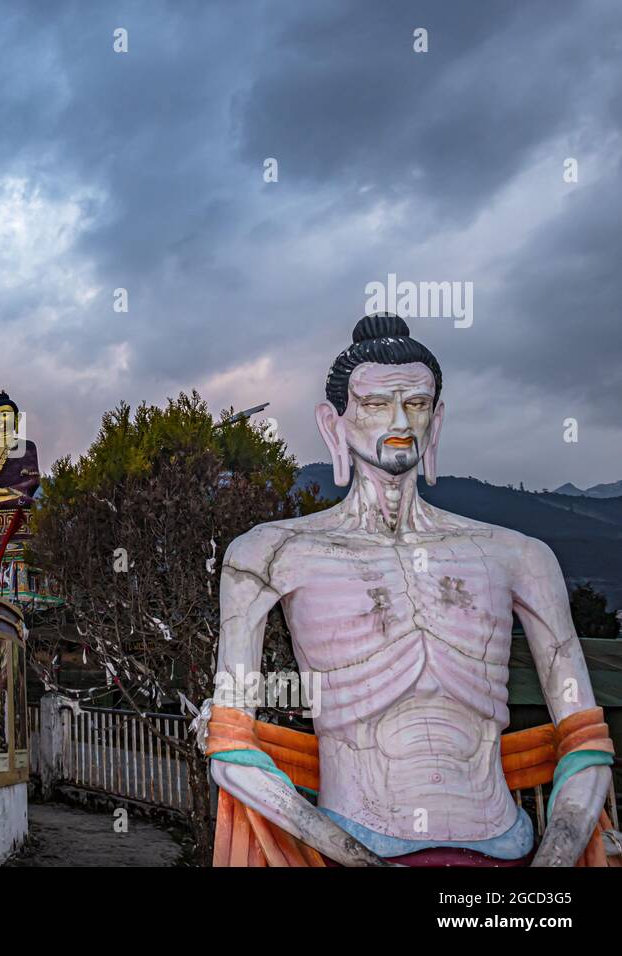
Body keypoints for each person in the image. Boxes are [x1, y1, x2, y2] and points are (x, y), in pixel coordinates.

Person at [210, 313, 614, 867]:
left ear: (437, 419)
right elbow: (231, 748)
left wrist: (552, 865)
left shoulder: (518, 555)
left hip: (508, 844)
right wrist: (347, 855)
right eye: (376, 404)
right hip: (354, 836)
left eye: (417, 404)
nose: (399, 421)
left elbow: (585, 741)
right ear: (333, 424)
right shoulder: (270, 554)